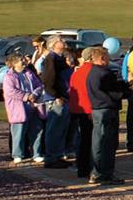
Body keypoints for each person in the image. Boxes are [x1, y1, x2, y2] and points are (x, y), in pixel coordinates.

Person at [86, 47, 127, 185]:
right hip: (106, 109)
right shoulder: (104, 73)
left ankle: (96, 172)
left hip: (97, 109)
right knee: (107, 143)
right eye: (107, 57)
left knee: (98, 141)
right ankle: (104, 173)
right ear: (102, 58)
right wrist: (126, 90)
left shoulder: (92, 72)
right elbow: (114, 92)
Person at [38, 35, 73, 169]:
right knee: (54, 130)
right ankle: (51, 158)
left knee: (61, 129)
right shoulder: (51, 59)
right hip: (56, 100)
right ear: (53, 44)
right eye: (60, 40)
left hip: (64, 97)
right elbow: (48, 80)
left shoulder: (59, 59)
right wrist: (56, 96)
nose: (63, 41)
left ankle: (58, 155)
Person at [67, 47, 96, 180]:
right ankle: (88, 167)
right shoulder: (91, 71)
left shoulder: (77, 72)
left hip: (77, 110)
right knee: (89, 141)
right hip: (87, 110)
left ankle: (82, 167)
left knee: (82, 140)